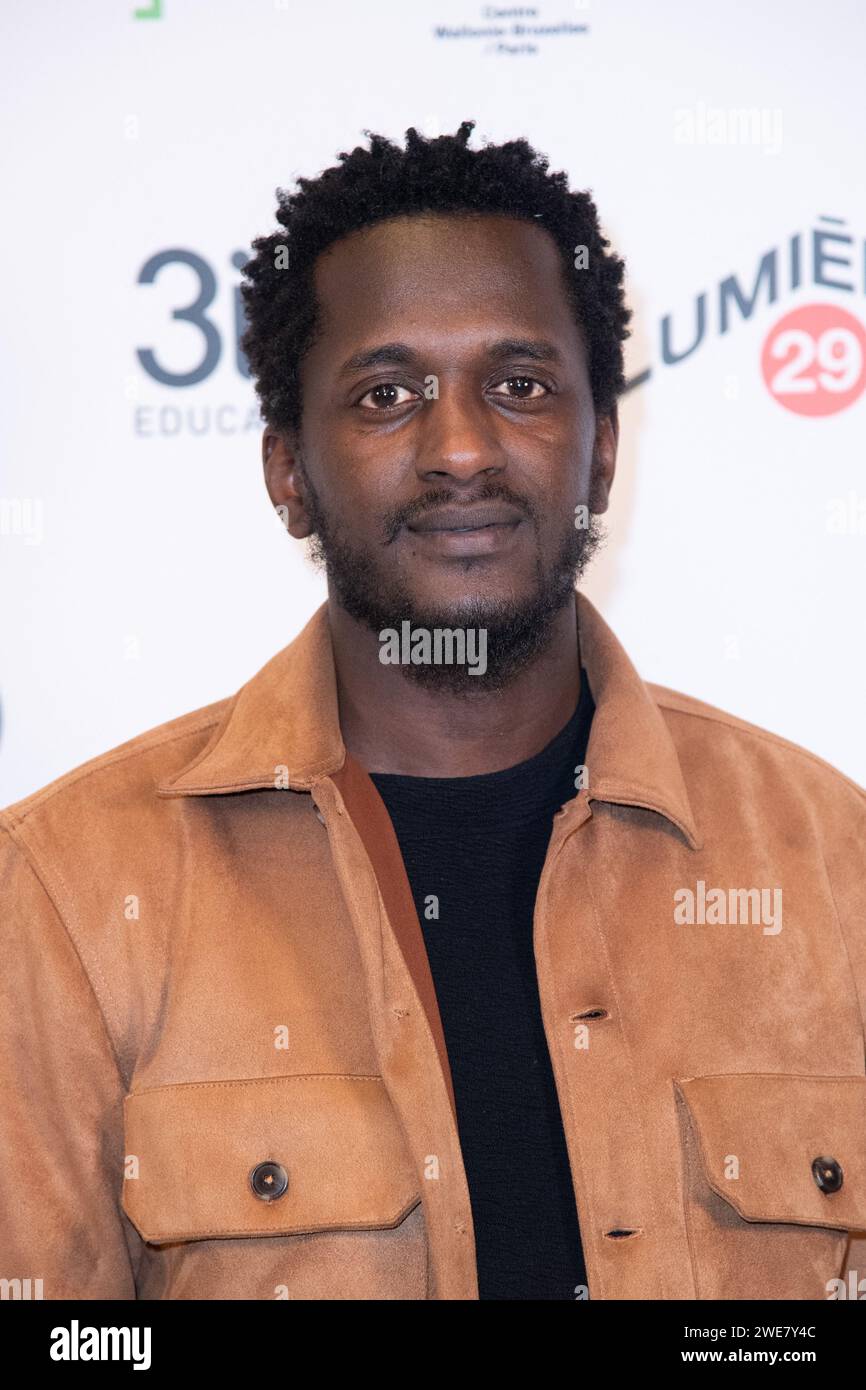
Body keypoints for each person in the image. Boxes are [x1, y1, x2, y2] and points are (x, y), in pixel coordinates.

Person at [2, 121, 865, 1302]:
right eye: (386, 392)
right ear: (287, 472)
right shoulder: (66, 892)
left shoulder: (828, 858)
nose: (459, 448)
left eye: (518, 386)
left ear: (601, 451)